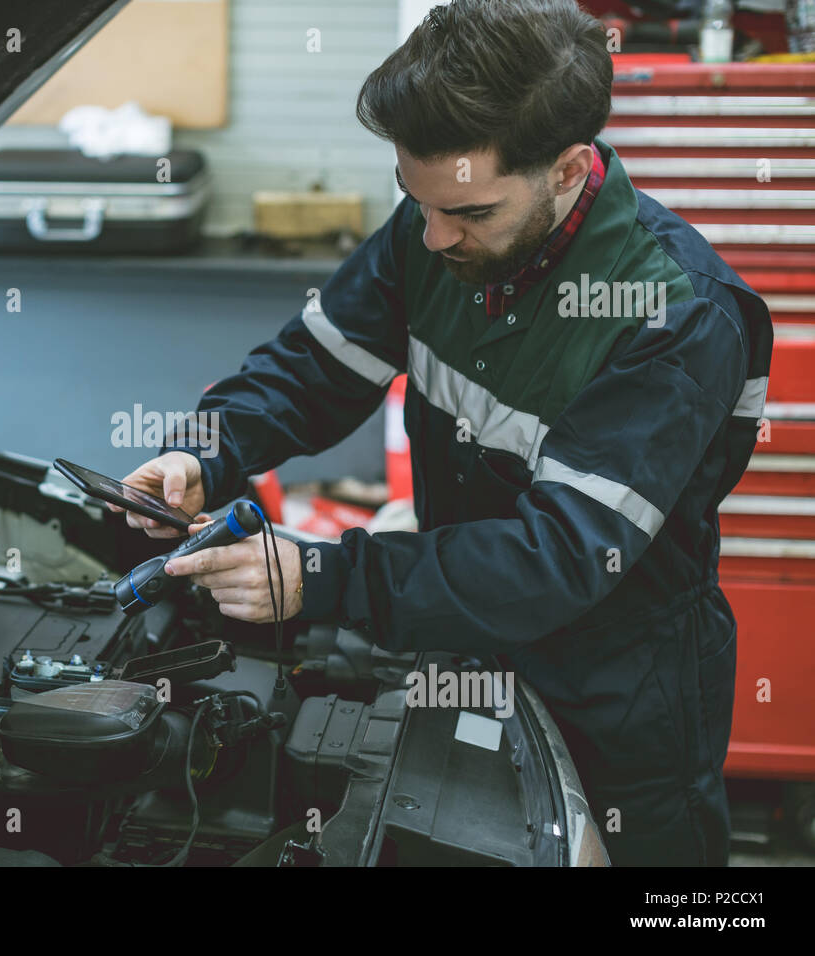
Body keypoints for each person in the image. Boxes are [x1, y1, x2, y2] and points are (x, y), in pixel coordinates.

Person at [110, 0, 773, 866]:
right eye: (414, 200)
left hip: (618, 695)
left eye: (470, 213)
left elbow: (556, 557)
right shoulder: (441, 222)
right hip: (457, 636)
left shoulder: (674, 315)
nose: (432, 234)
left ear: (570, 170)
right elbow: (316, 365)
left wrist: (322, 573)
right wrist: (208, 450)